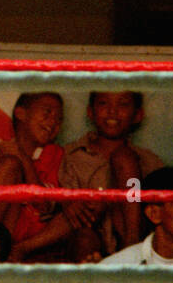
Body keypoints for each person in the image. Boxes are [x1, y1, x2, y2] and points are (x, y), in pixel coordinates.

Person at [58, 91, 162, 260]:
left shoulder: (149, 162)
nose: (112, 111)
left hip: (132, 236)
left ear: (138, 115)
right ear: (90, 112)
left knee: (124, 159)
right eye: (103, 103)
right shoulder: (69, 155)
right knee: (84, 238)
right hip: (87, 241)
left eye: (123, 104)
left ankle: (132, 249)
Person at [0, 91, 68, 261]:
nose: (53, 122)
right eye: (47, 112)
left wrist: (23, 158)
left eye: (59, 119)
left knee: (78, 208)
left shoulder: (57, 155)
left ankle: (2, 251)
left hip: (36, 246)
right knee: (9, 165)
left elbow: (45, 205)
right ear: (21, 113)